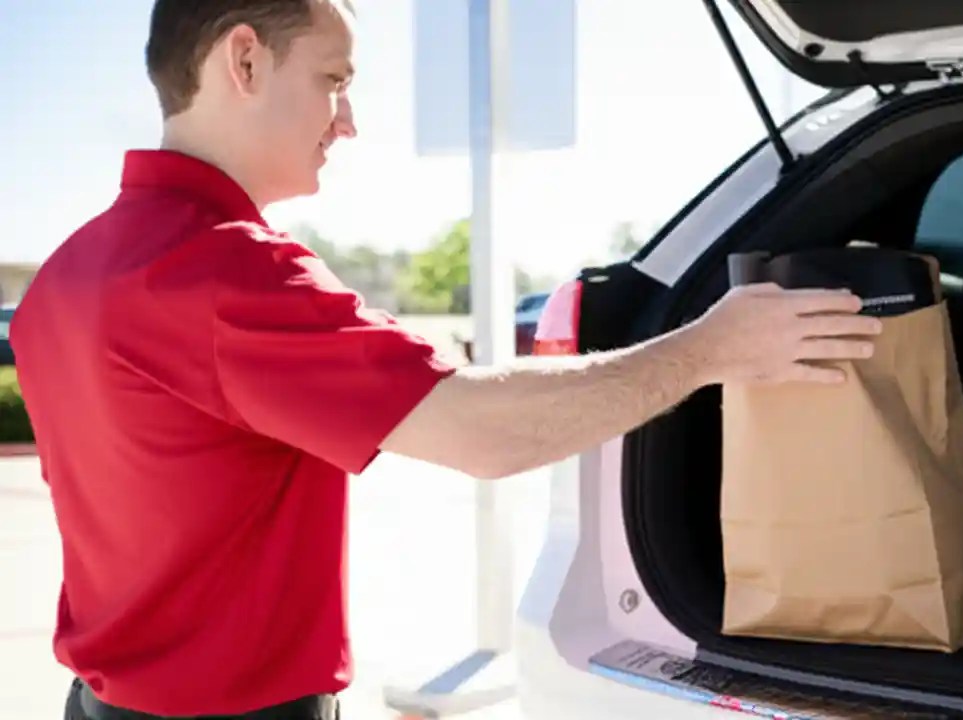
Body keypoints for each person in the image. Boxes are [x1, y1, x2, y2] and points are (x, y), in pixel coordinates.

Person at [9, 1, 883, 718]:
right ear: (244, 61)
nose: (347, 121)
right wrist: (713, 348)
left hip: (96, 703)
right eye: (333, 82)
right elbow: (480, 431)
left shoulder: (69, 273)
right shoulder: (227, 270)